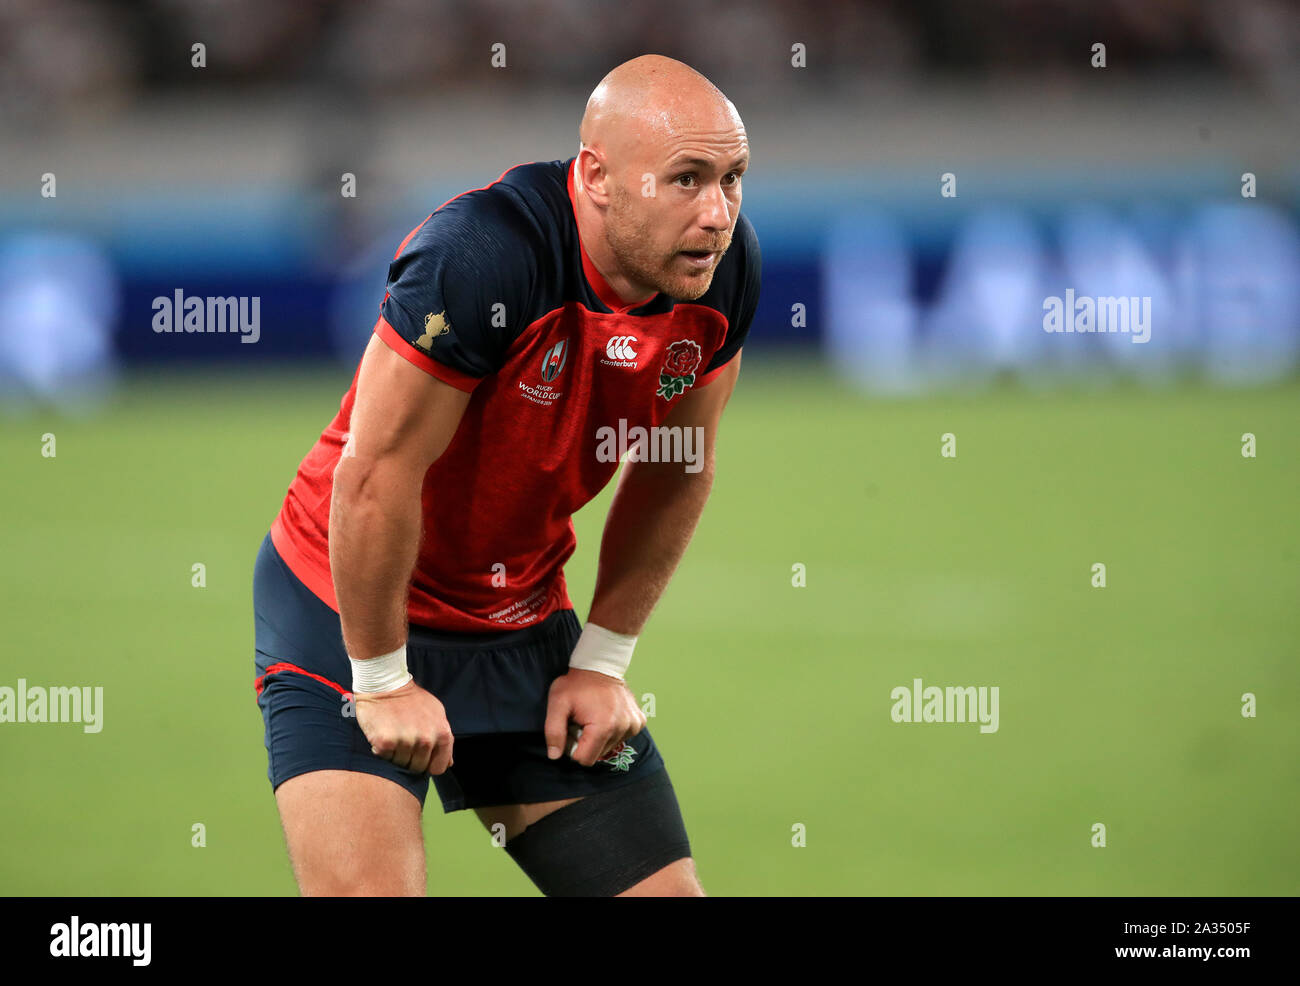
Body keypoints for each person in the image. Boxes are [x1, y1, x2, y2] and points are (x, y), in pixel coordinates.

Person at [252, 53, 760, 896]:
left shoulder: (722, 272)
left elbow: (675, 469)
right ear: (595, 176)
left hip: (519, 618)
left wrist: (601, 662)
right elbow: (375, 475)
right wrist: (380, 680)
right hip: (348, 604)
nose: (717, 213)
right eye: (687, 179)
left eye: (734, 179)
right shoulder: (483, 255)